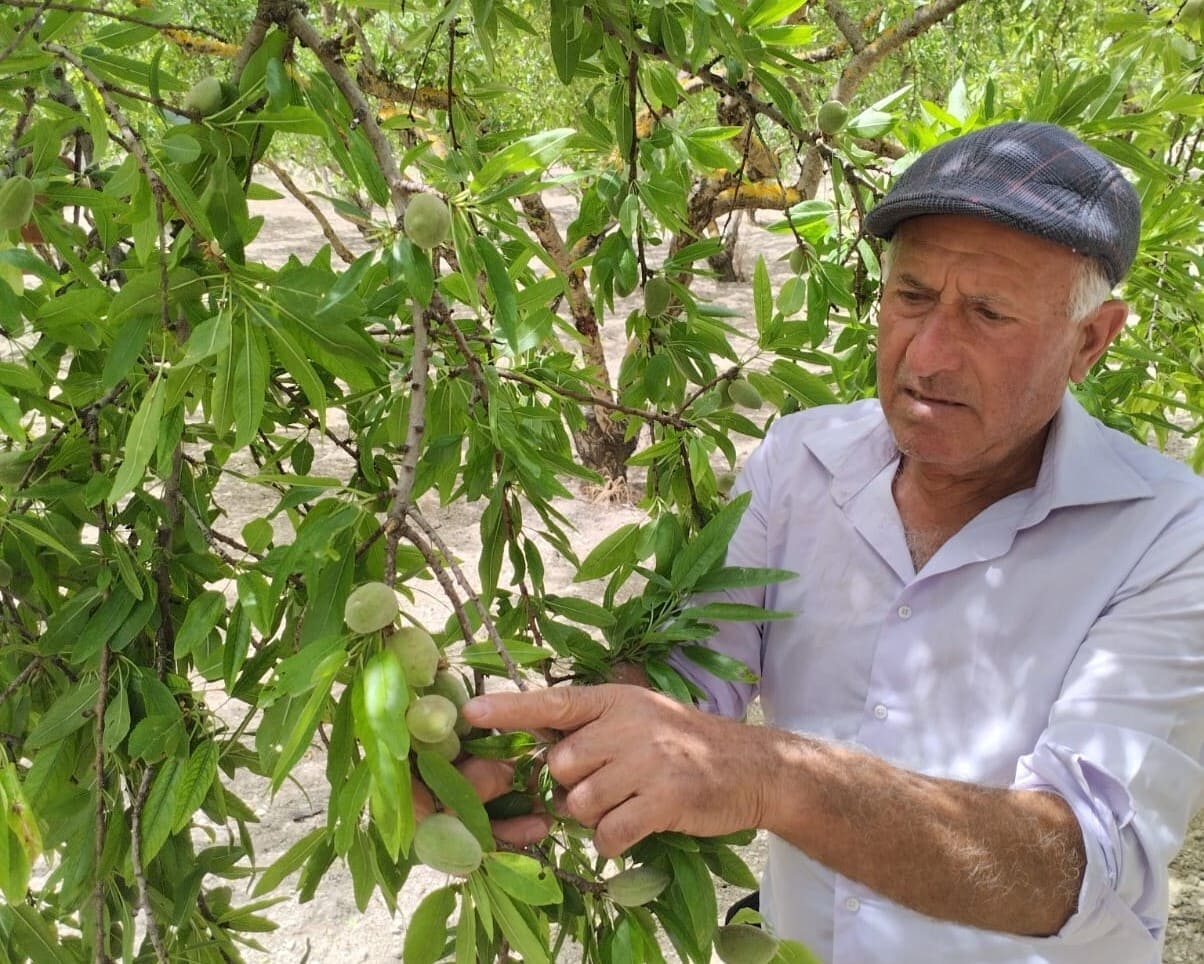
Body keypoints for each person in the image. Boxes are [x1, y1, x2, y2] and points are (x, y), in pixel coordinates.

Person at [457, 121, 1204, 963]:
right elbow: (690, 683)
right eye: (912, 296)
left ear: (1091, 342)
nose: (927, 353)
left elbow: (1074, 866)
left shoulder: (1169, 534)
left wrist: (763, 774)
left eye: (989, 313)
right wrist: (517, 753)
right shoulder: (799, 460)